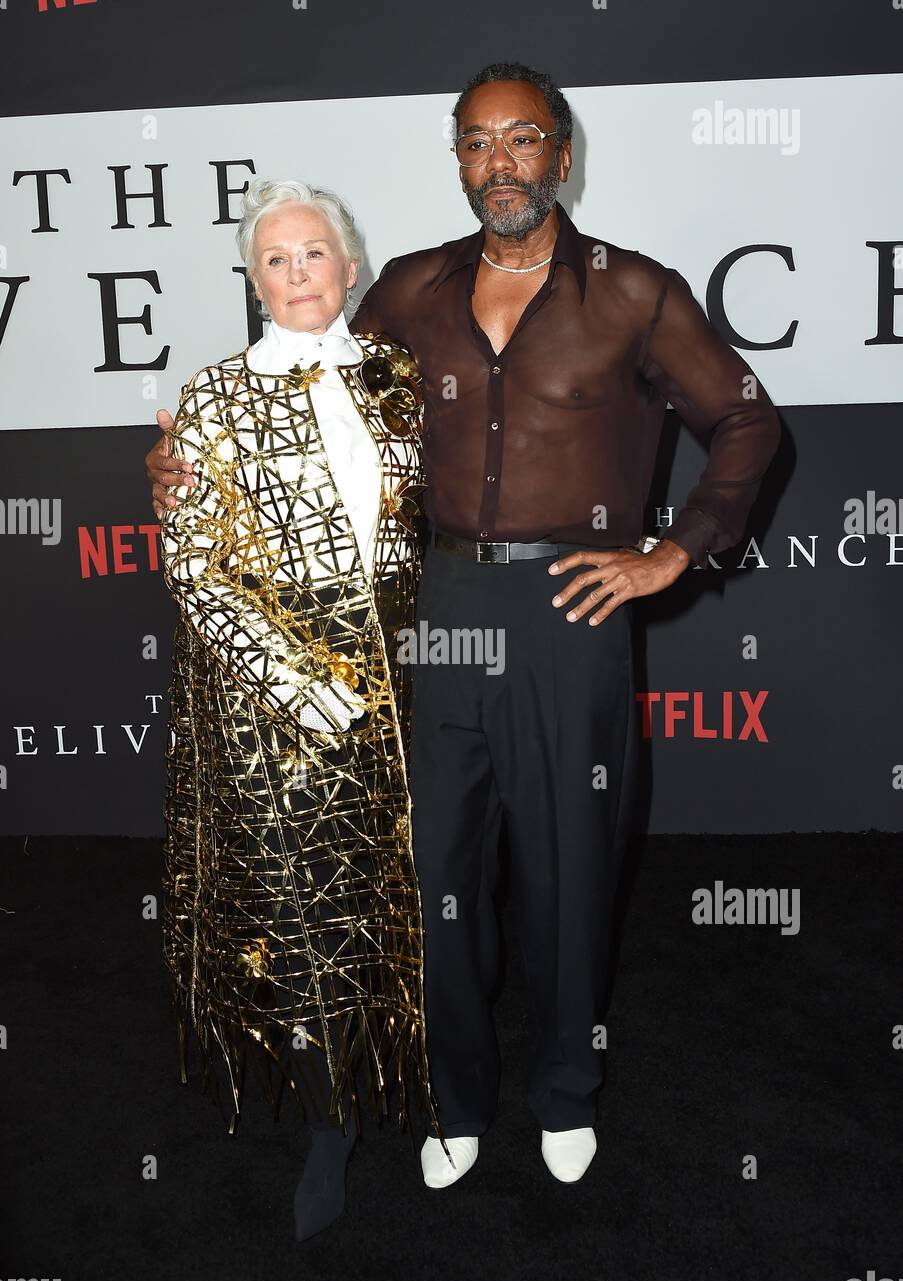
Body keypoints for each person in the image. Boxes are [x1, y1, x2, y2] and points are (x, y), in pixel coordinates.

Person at [148, 62, 781, 1194]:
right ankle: (454, 1097)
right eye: (477, 143)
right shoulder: (406, 289)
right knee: (432, 868)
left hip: (569, 613)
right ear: (458, 161)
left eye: (521, 139)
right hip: (434, 613)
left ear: (561, 153)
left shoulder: (635, 292)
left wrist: (674, 553)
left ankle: (565, 1091)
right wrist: (188, 461)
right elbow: (313, 382)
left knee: (568, 866)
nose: (500, 162)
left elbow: (744, 419)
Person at [157, 176, 439, 1241]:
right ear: (252, 279)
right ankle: (333, 1125)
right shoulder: (215, 396)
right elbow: (195, 568)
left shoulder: (403, 383)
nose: (294, 274)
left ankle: (424, 1079)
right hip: (284, 716)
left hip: (416, 691)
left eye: (311, 252)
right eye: (272, 260)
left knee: (409, 897)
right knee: (308, 918)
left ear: (351, 263)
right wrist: (304, 686)